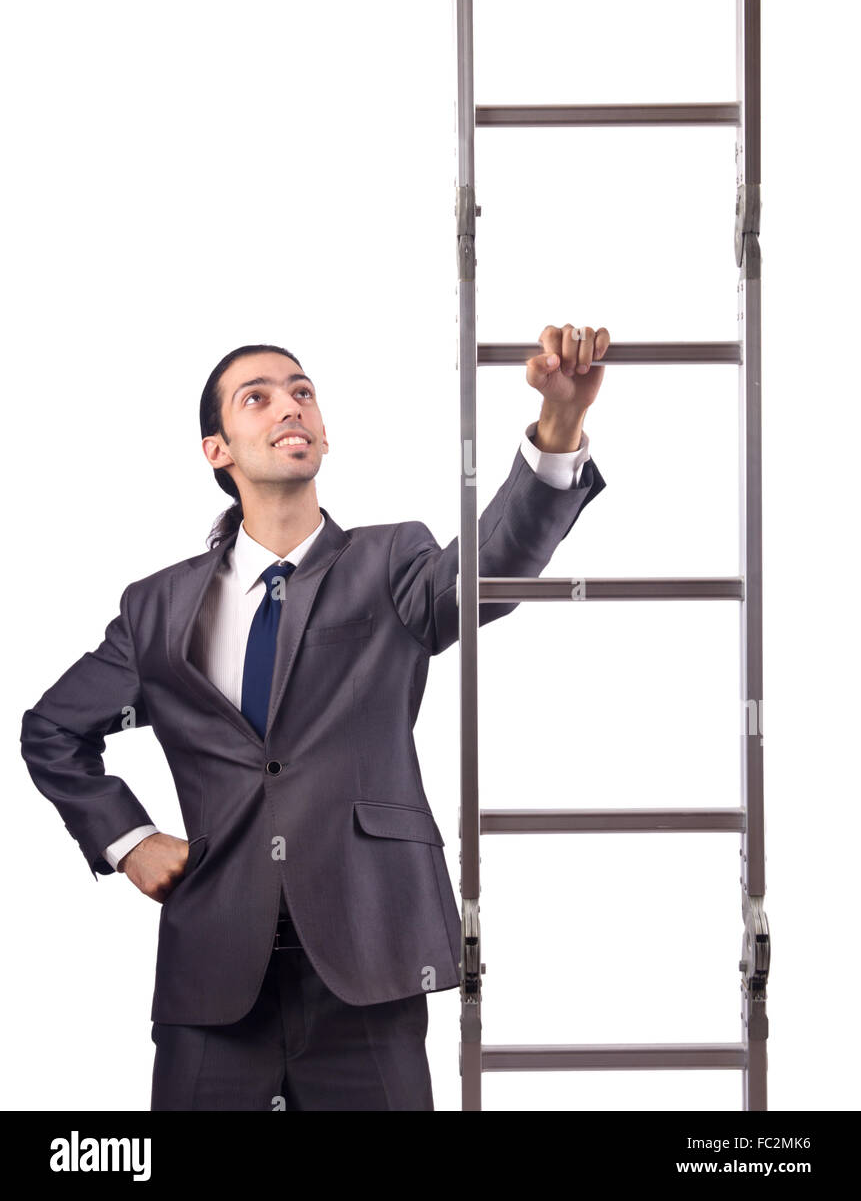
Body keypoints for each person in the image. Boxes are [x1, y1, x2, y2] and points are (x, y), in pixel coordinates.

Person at [20, 322, 609, 1111]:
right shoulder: (156, 606)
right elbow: (54, 730)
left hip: (368, 963)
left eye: (302, 393)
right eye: (255, 398)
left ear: (323, 432)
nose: (287, 407)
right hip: (213, 976)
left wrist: (558, 426)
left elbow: (494, 567)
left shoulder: (390, 561)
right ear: (217, 450)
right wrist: (127, 840)